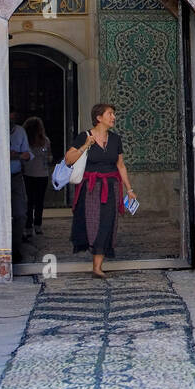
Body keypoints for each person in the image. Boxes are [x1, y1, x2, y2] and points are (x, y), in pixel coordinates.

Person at [64, 103, 138, 278]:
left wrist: (129, 189)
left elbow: (120, 165)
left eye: (114, 114)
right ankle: (93, 253)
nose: (114, 117)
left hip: (110, 187)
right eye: (110, 114)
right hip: (90, 189)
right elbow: (68, 159)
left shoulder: (115, 139)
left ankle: (97, 267)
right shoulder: (84, 136)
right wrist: (85, 146)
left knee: (107, 223)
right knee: (91, 222)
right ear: (99, 118)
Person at [9, 109, 33, 262]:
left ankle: (15, 248)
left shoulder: (20, 131)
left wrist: (15, 155)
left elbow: (27, 154)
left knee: (19, 214)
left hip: (16, 177)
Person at [22, 116, 52, 238]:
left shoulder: (26, 142)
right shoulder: (45, 141)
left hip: (29, 174)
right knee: (39, 202)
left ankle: (29, 226)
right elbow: (50, 156)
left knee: (29, 202)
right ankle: (37, 225)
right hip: (41, 175)